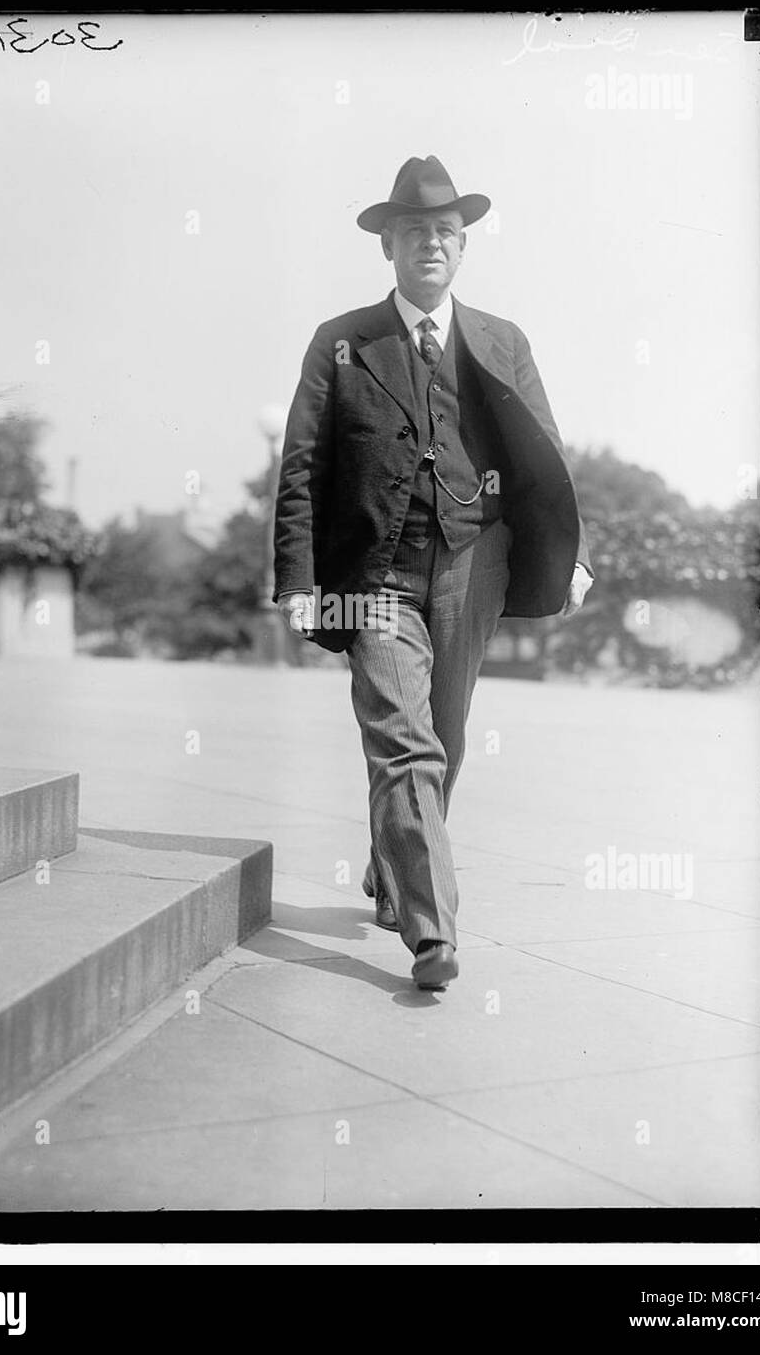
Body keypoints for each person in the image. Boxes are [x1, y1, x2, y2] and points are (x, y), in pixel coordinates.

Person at [273, 155, 593, 990]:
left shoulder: (500, 341)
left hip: (470, 564)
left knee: (443, 740)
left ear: (462, 248)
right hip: (369, 573)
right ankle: (431, 934)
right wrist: (298, 581)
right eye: (413, 231)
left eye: (445, 232)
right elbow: (301, 468)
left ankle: (394, 859)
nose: (430, 244)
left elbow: (541, 458)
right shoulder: (340, 342)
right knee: (402, 742)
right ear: (387, 246)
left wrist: (573, 556)